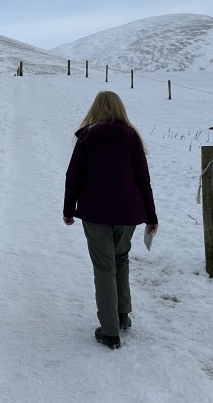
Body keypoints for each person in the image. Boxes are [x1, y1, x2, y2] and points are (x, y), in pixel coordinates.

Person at [63, 91, 158, 350]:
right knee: (120, 259)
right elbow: (143, 179)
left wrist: (68, 209)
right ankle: (122, 316)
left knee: (104, 267)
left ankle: (109, 331)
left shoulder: (87, 137)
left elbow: (74, 175)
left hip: (95, 212)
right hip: (128, 213)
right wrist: (151, 216)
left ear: (96, 108)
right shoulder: (131, 136)